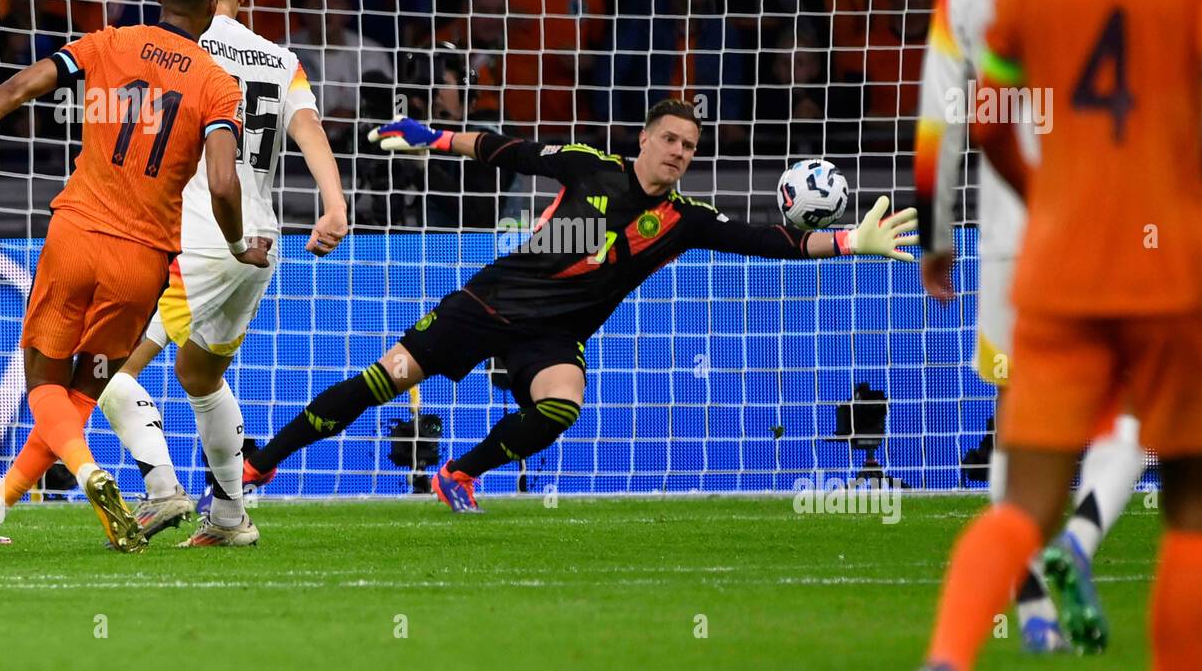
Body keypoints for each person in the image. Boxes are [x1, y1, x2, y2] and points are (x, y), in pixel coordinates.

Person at [241, 98, 918, 511]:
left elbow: (765, 240)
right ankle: (262, 461)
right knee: (384, 379)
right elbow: (507, 149)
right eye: (671, 141)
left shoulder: (686, 219)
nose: (680, 153)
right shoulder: (590, 166)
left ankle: (460, 473)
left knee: (561, 404)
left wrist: (849, 239)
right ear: (646, 141)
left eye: (690, 147)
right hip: (492, 300)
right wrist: (431, 138)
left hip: (557, 332)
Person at [924, 0, 1202, 671]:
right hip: (1170, 270)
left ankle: (947, 659)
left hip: (1050, 259)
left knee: (1020, 493)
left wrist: (1041, 193)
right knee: (1188, 504)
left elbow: (980, 118)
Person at [0, 0, 267, 553]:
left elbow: (18, 87)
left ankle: (83, 470)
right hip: (142, 259)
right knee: (86, 388)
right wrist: (235, 242)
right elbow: (224, 184)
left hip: (74, 235)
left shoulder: (105, 43)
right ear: (211, 7)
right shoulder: (216, 83)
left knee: (44, 384)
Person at [97, 0, 349, 548]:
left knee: (104, 371)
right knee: (199, 375)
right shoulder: (279, 58)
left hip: (200, 236)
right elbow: (309, 129)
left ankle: (161, 493)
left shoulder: (177, 49)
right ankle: (232, 519)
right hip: (260, 243)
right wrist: (335, 205)